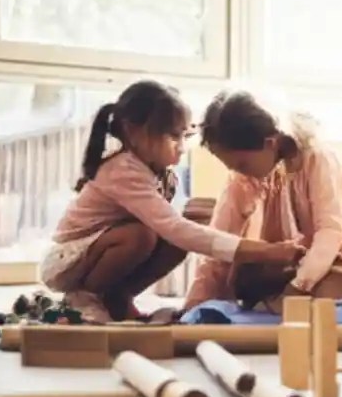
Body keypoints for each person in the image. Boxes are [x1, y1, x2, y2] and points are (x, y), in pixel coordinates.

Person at [40, 80, 304, 322]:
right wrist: (267, 251)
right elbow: (175, 229)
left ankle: (118, 298)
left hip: (98, 248)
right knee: (142, 236)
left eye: (184, 136)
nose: (181, 146)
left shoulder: (155, 170)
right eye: (173, 136)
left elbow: (175, 228)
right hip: (68, 261)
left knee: (175, 236)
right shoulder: (123, 170)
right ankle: (84, 298)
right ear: (135, 132)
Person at [185, 89, 342, 312]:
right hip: (287, 267)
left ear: (270, 143)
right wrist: (192, 305)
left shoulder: (318, 160)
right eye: (231, 167)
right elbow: (218, 241)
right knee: (242, 280)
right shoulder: (244, 176)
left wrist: (299, 285)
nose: (238, 172)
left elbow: (330, 232)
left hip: (337, 266)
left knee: (316, 301)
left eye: (242, 165)